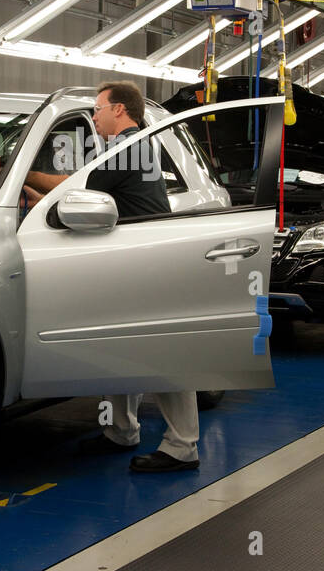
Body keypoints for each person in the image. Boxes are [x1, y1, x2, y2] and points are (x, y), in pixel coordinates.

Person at [23, 81, 199, 474]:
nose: (95, 115)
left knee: (163, 356)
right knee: (123, 348)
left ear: (119, 110)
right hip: (133, 260)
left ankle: (182, 447)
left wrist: (20, 174)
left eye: (98, 108)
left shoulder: (128, 148)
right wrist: (37, 203)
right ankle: (121, 430)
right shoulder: (135, 146)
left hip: (149, 263)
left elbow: (69, 187)